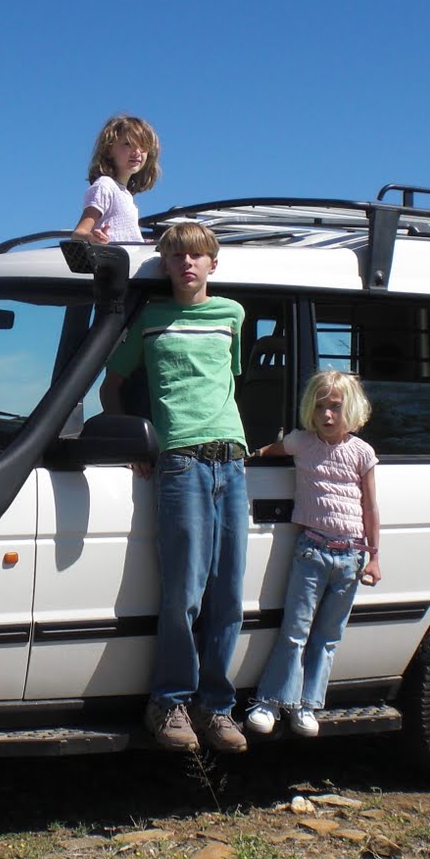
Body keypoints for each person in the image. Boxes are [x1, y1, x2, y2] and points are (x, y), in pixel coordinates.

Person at [100, 221, 249, 754]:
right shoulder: (150, 319)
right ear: (165, 264)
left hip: (233, 460)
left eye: (197, 256)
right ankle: (169, 702)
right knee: (184, 594)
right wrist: (131, 444)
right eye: (177, 256)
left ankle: (217, 707)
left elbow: (230, 381)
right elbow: (111, 384)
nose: (187, 264)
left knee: (228, 596)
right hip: (180, 462)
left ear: (214, 262)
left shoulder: (231, 315)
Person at [247, 370, 381, 737]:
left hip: (351, 555)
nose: (327, 415)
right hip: (313, 549)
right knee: (295, 630)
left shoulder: (362, 453)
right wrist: (254, 453)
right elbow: (272, 449)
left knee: (328, 636)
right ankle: (272, 700)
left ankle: (307, 705)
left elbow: (370, 507)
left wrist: (374, 556)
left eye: (335, 407)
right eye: (320, 407)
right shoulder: (301, 443)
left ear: (350, 409)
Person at [71, 115, 160, 244]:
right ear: (109, 150)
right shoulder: (105, 185)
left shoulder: (125, 194)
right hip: (112, 261)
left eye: (143, 146)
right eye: (128, 144)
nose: (137, 152)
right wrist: (93, 238)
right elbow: (79, 233)